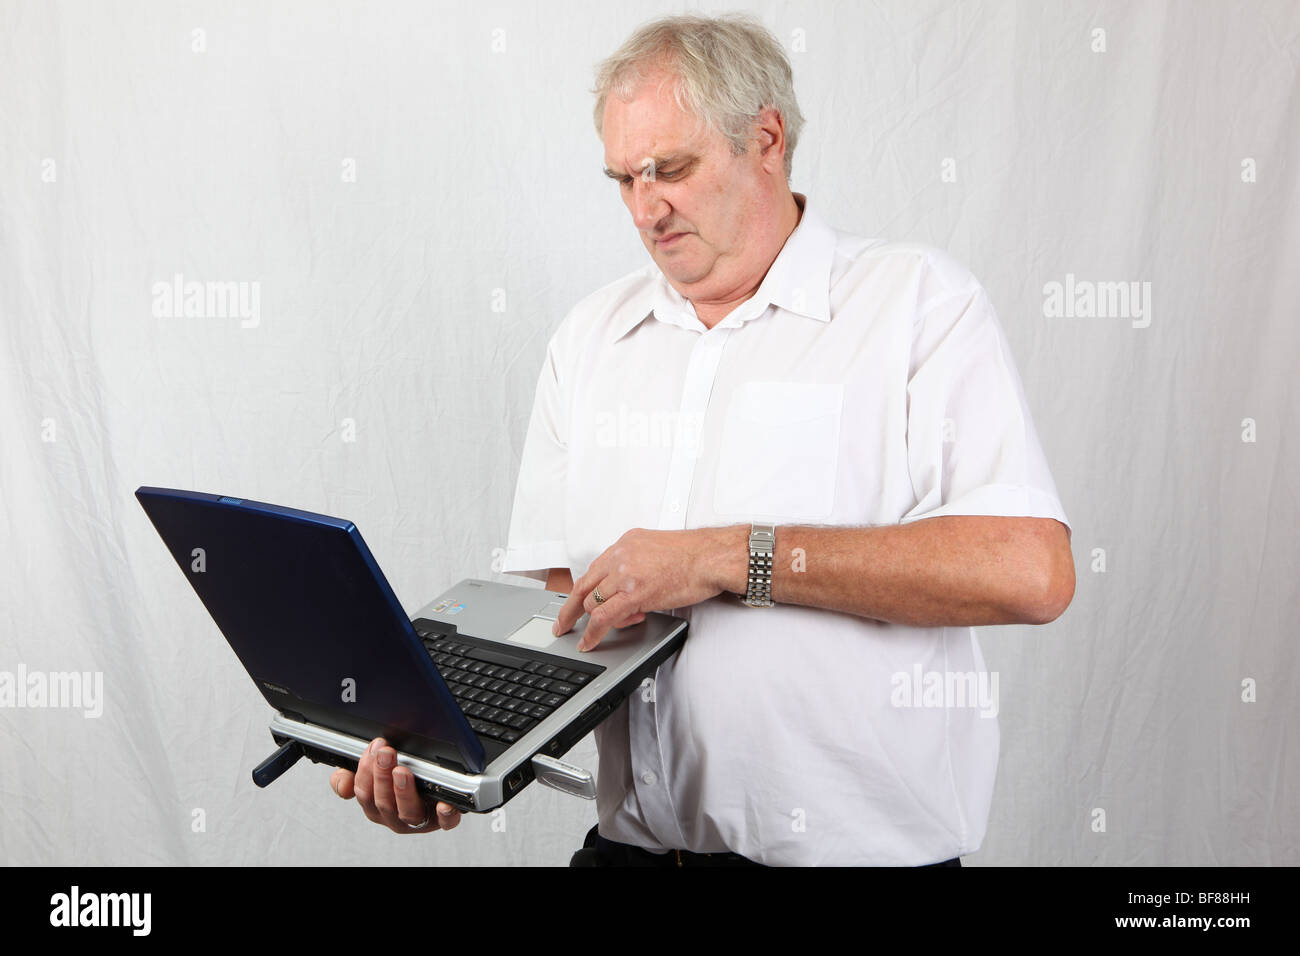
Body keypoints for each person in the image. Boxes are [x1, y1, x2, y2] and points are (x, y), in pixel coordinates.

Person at [331, 13, 1075, 866]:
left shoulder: (917, 305)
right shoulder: (590, 338)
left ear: (766, 137)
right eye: (622, 178)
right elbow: (568, 616)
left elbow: (1030, 572)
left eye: (670, 169)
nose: (647, 208)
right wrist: (448, 752)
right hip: (635, 857)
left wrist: (728, 557)